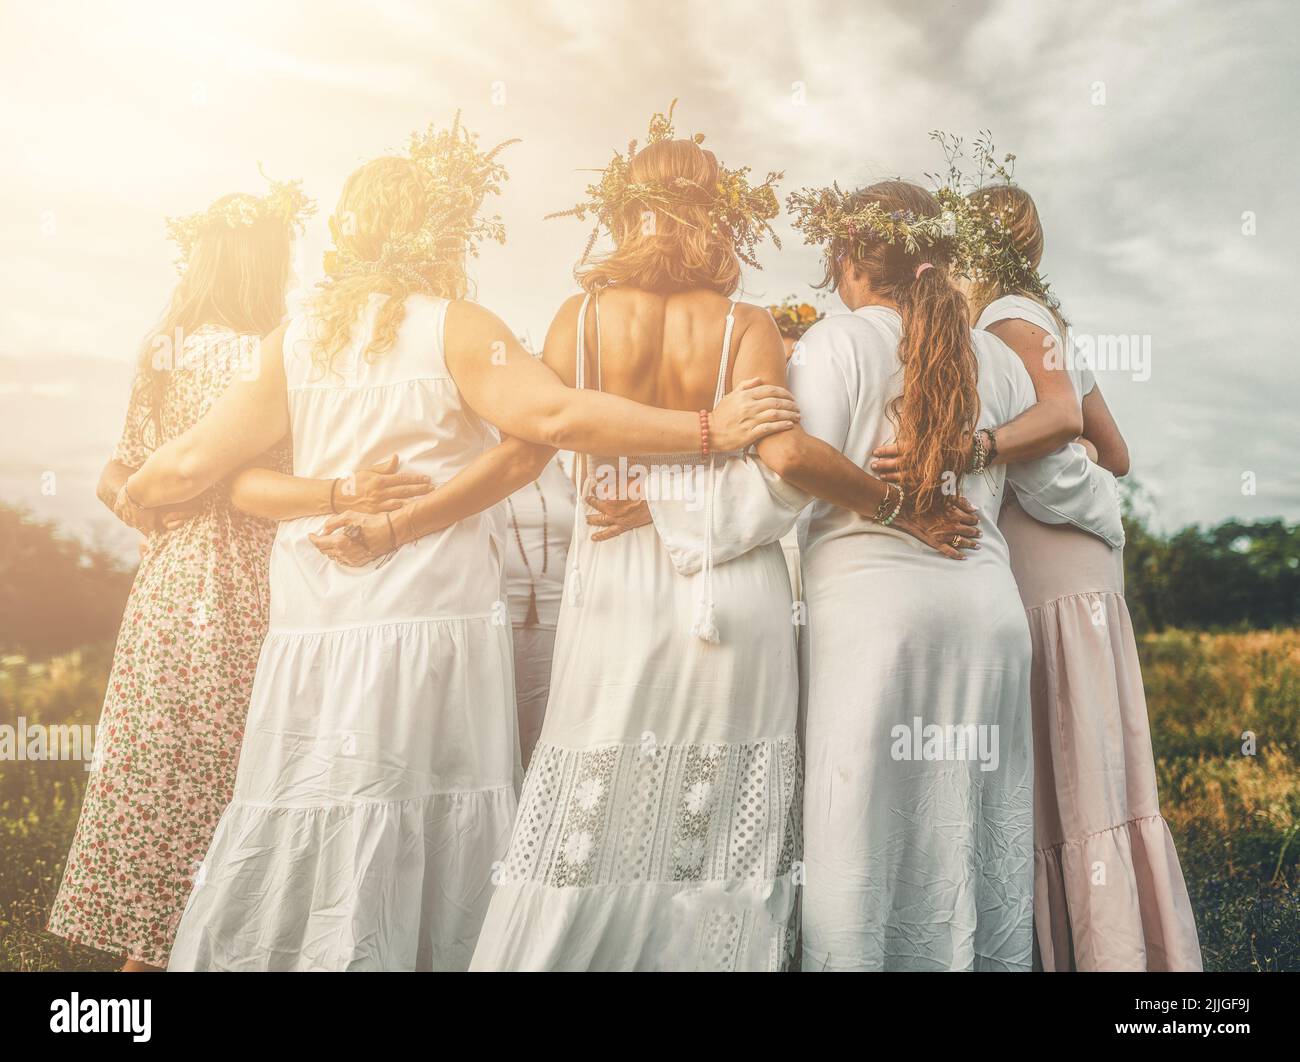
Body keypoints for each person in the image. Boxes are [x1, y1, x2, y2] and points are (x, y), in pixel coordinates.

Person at [116, 117, 796, 971]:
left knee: (309, 794)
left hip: (319, 617)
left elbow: (188, 464)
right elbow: (547, 422)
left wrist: (134, 492)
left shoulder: (293, 341)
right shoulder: (461, 325)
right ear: (447, 230)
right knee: (440, 798)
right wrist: (705, 428)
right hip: (437, 607)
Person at [774, 178, 1126, 970]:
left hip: (875, 620)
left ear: (849, 259)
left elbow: (799, 473)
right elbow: (1051, 475)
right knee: (977, 836)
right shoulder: (997, 357)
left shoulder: (837, 340)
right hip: (989, 617)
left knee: (862, 834)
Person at [46, 175, 320, 970]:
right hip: (250, 578)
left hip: (167, 590)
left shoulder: (162, 350)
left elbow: (114, 476)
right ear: (265, 263)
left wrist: (150, 512)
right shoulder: (272, 353)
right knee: (238, 777)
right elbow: (237, 474)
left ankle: (145, 963)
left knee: (166, 778)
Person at [949, 183, 1199, 971]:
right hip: (1083, 562)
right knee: (1089, 753)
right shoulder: (1046, 318)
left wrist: (979, 448)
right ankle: (1122, 940)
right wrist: (1073, 456)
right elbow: (1114, 453)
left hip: (1047, 558)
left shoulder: (1003, 319)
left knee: (1067, 762)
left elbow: (1059, 421)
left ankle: (1099, 951)